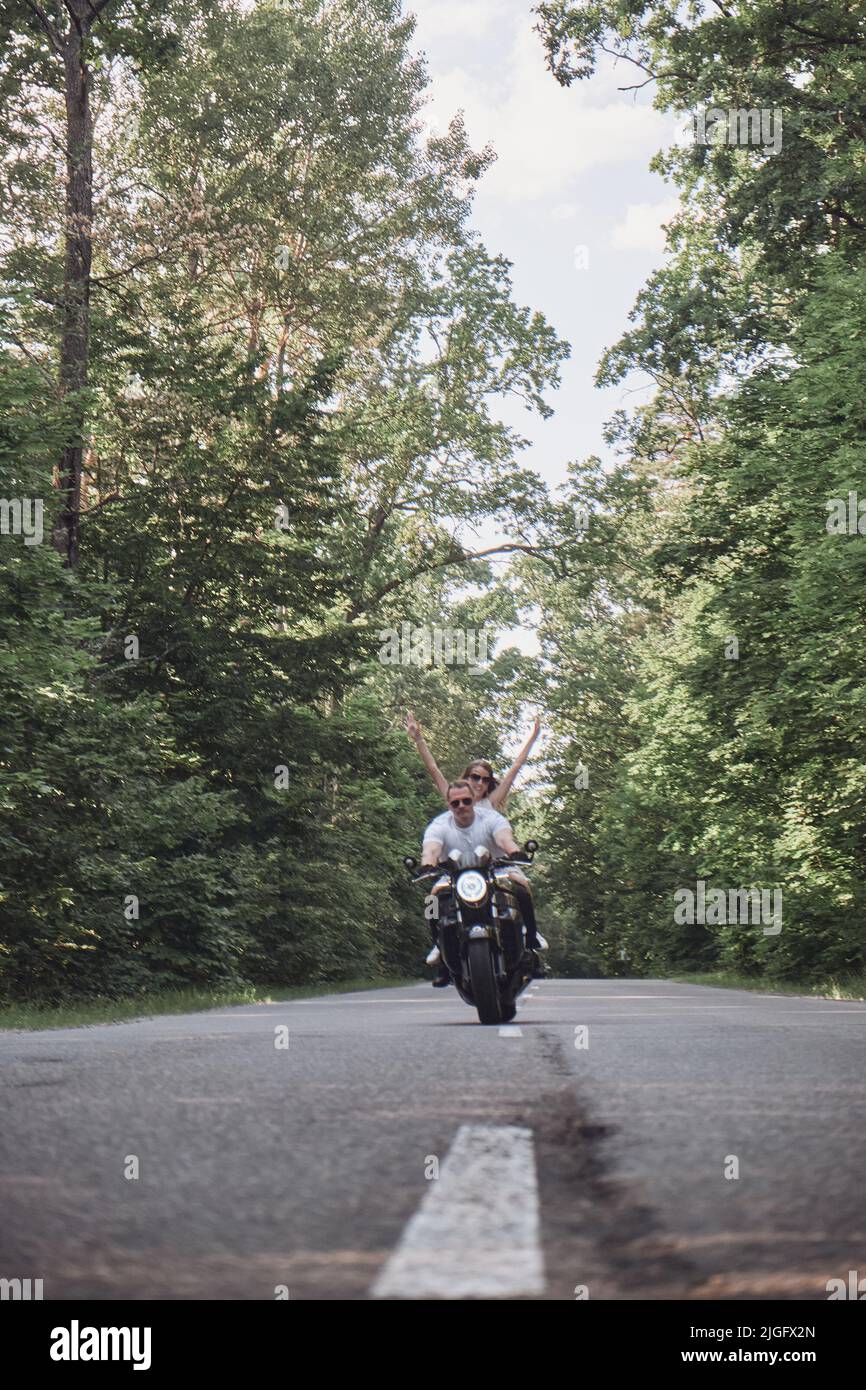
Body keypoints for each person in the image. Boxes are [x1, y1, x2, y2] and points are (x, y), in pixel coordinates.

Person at [420, 780, 545, 986]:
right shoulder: (440, 825)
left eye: (466, 801)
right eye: (455, 803)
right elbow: (431, 849)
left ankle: (531, 939)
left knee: (522, 887)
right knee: (432, 898)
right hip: (453, 876)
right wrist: (427, 864)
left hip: (497, 869)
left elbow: (505, 839)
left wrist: (513, 851)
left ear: (473, 801)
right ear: (449, 804)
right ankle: (440, 949)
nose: (461, 807)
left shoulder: (491, 818)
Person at [406, 711, 541, 814]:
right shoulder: (453, 796)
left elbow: (514, 769)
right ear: (467, 778)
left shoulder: (490, 803)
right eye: (476, 777)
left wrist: (533, 738)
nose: (480, 783)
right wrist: (418, 739)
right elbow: (433, 769)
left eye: (485, 779)